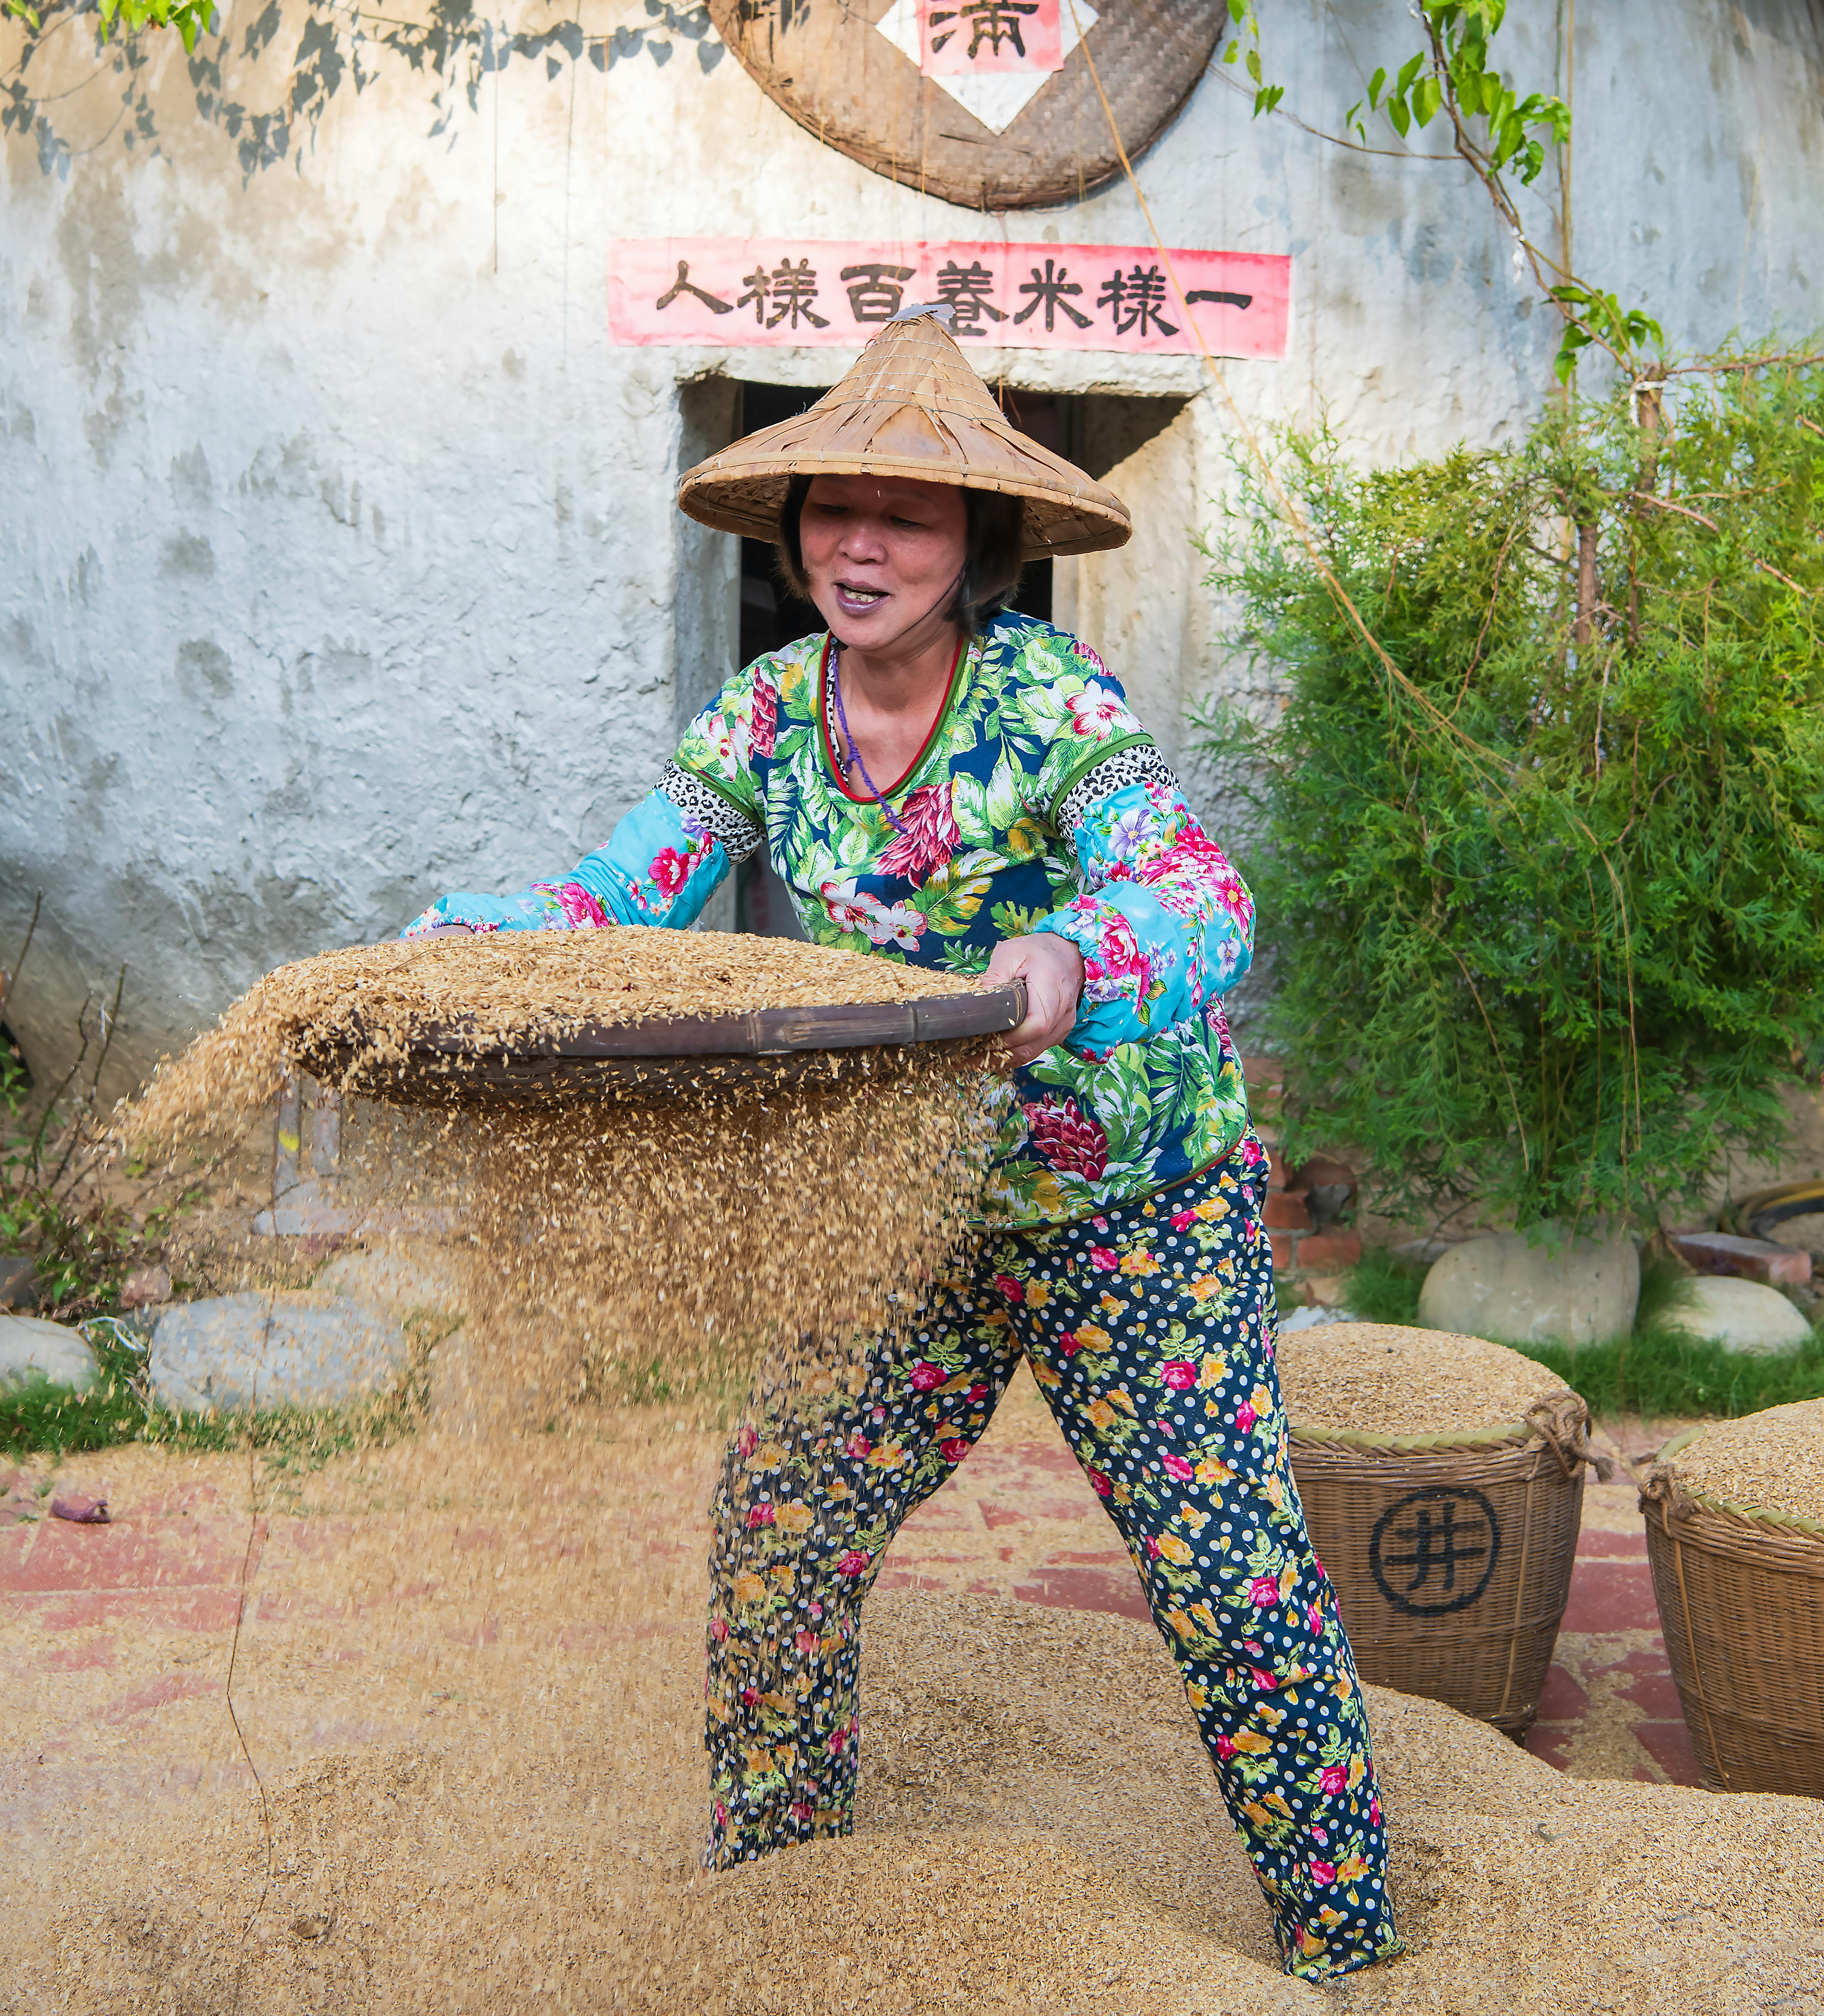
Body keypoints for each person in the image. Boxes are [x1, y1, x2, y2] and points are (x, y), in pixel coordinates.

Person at [405, 307, 1400, 1983]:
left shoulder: (1046, 697)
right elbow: (618, 889)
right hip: (911, 1207)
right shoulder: (769, 714)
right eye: (832, 509)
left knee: (1223, 1570)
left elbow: (1199, 894)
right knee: (782, 1521)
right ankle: (786, 1895)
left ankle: (1347, 1935)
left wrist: (1072, 962)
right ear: (791, 533)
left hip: (1129, 1206)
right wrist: (484, 939)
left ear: (976, 543)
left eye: (910, 514)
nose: (860, 544)